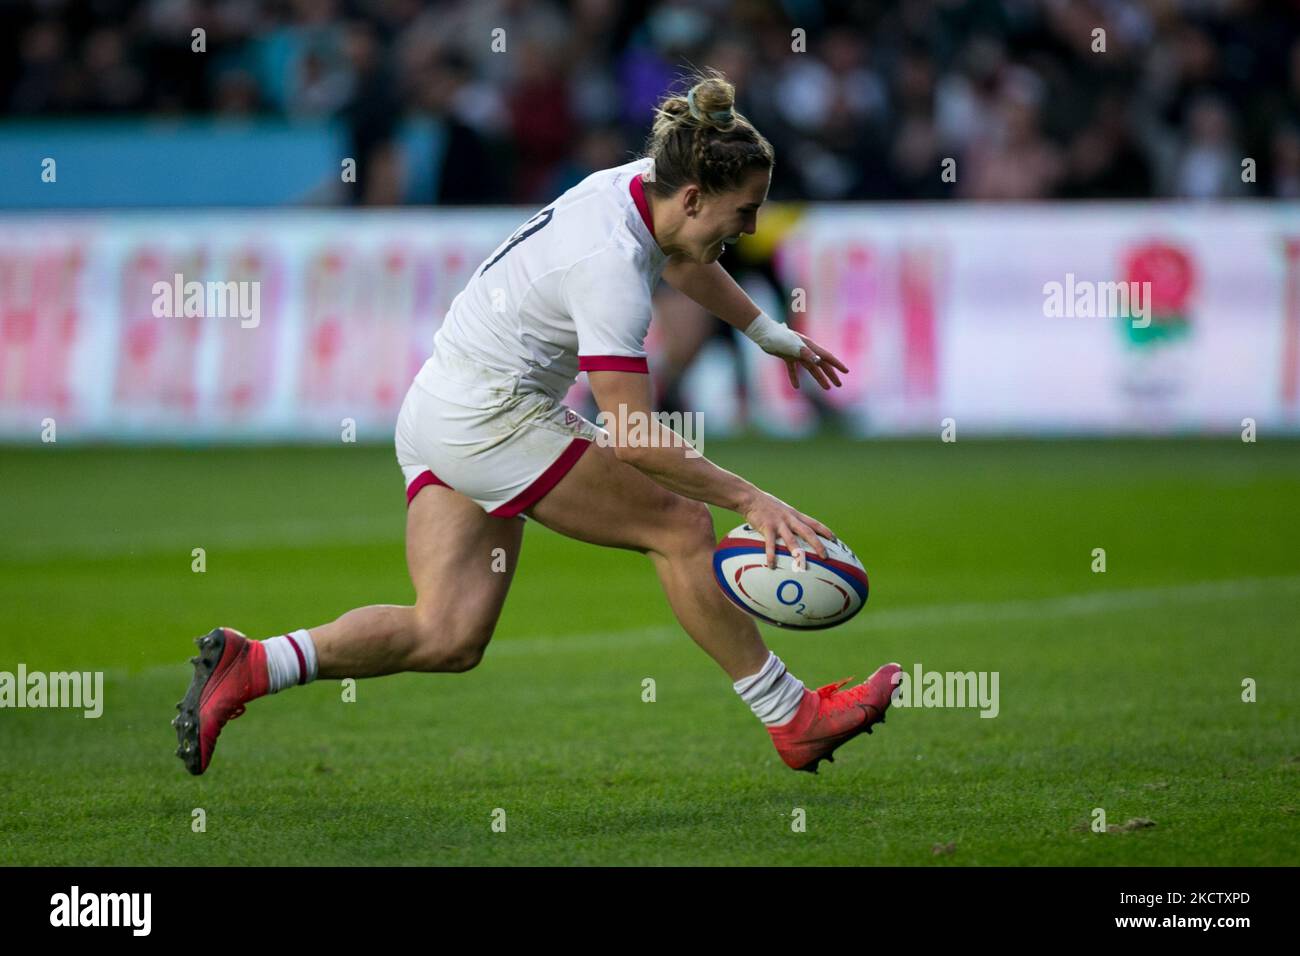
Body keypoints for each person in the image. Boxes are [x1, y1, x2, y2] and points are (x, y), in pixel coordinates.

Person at [173, 70, 901, 777]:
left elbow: (684, 257)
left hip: (438, 407)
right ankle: (791, 717)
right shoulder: (610, 266)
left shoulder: (639, 186)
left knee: (448, 634)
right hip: (490, 419)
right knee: (681, 528)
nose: (747, 229)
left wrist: (767, 332)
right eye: (744, 213)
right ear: (691, 195)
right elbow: (634, 435)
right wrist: (750, 498)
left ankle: (253, 663)